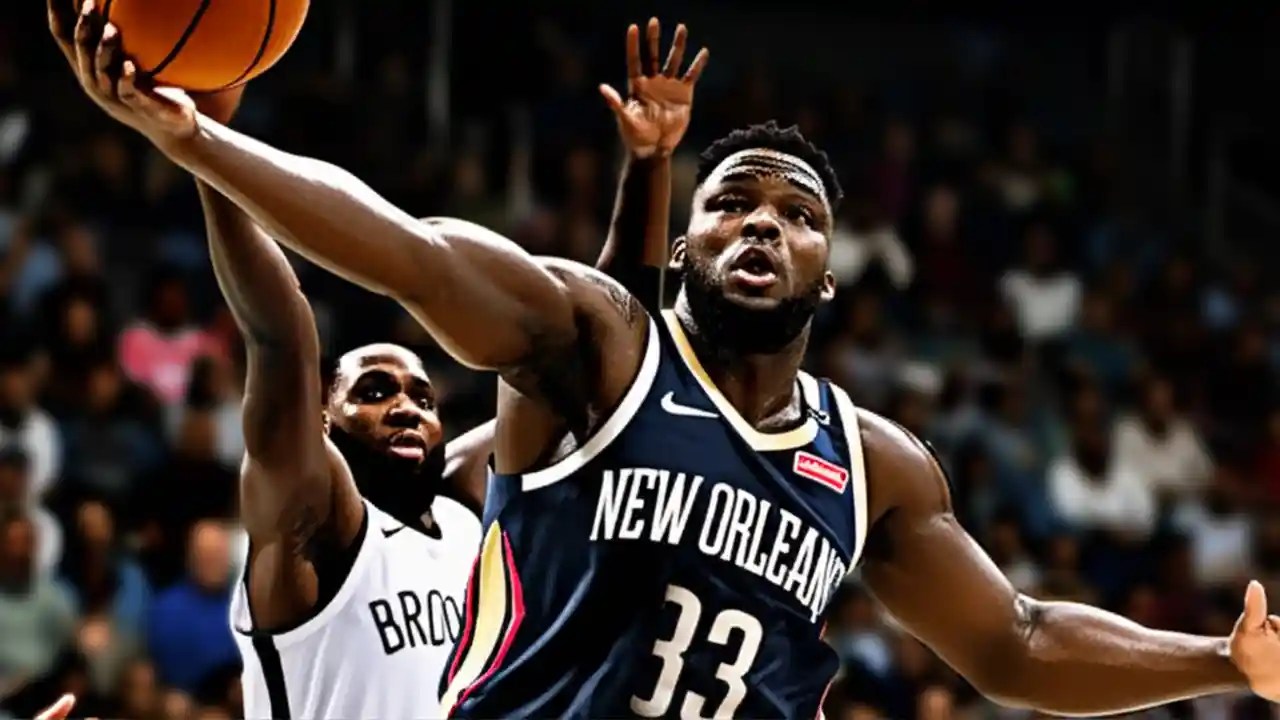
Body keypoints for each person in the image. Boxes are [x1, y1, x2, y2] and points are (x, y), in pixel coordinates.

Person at [52, 5, 1280, 719]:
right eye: (732, 202)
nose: (762, 224)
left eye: (797, 216)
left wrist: (1219, 663)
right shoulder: (590, 346)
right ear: (683, 246)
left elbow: (1012, 638)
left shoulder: (877, 468)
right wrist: (200, 138)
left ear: (831, 273)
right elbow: (409, 257)